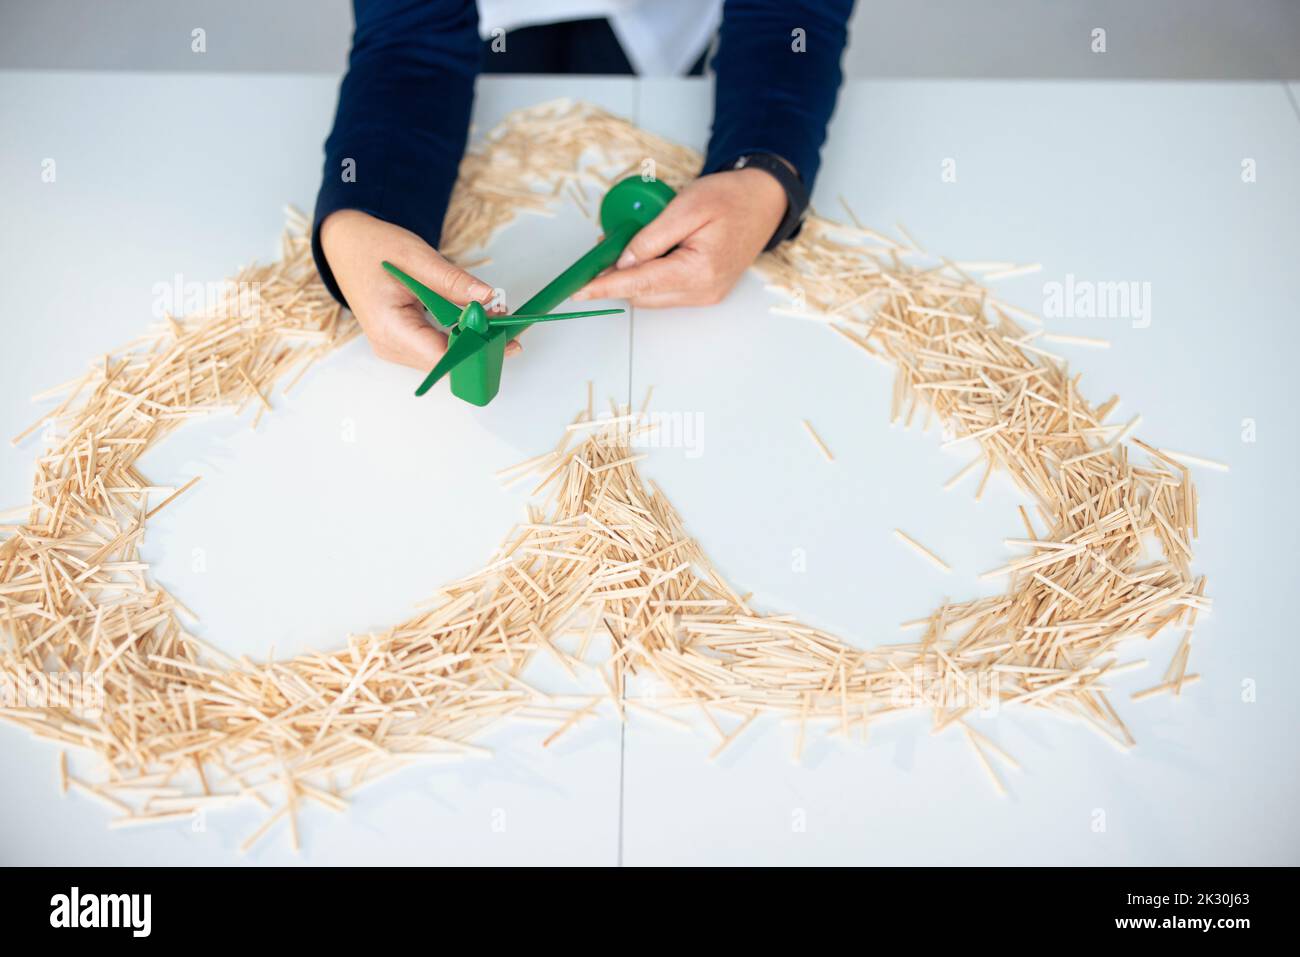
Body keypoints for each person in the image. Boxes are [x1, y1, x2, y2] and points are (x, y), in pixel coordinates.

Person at [314, 0, 854, 372]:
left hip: (660, 26)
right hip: (484, 25)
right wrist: (364, 211)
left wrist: (763, 168)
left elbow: (792, 15)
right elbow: (409, 44)